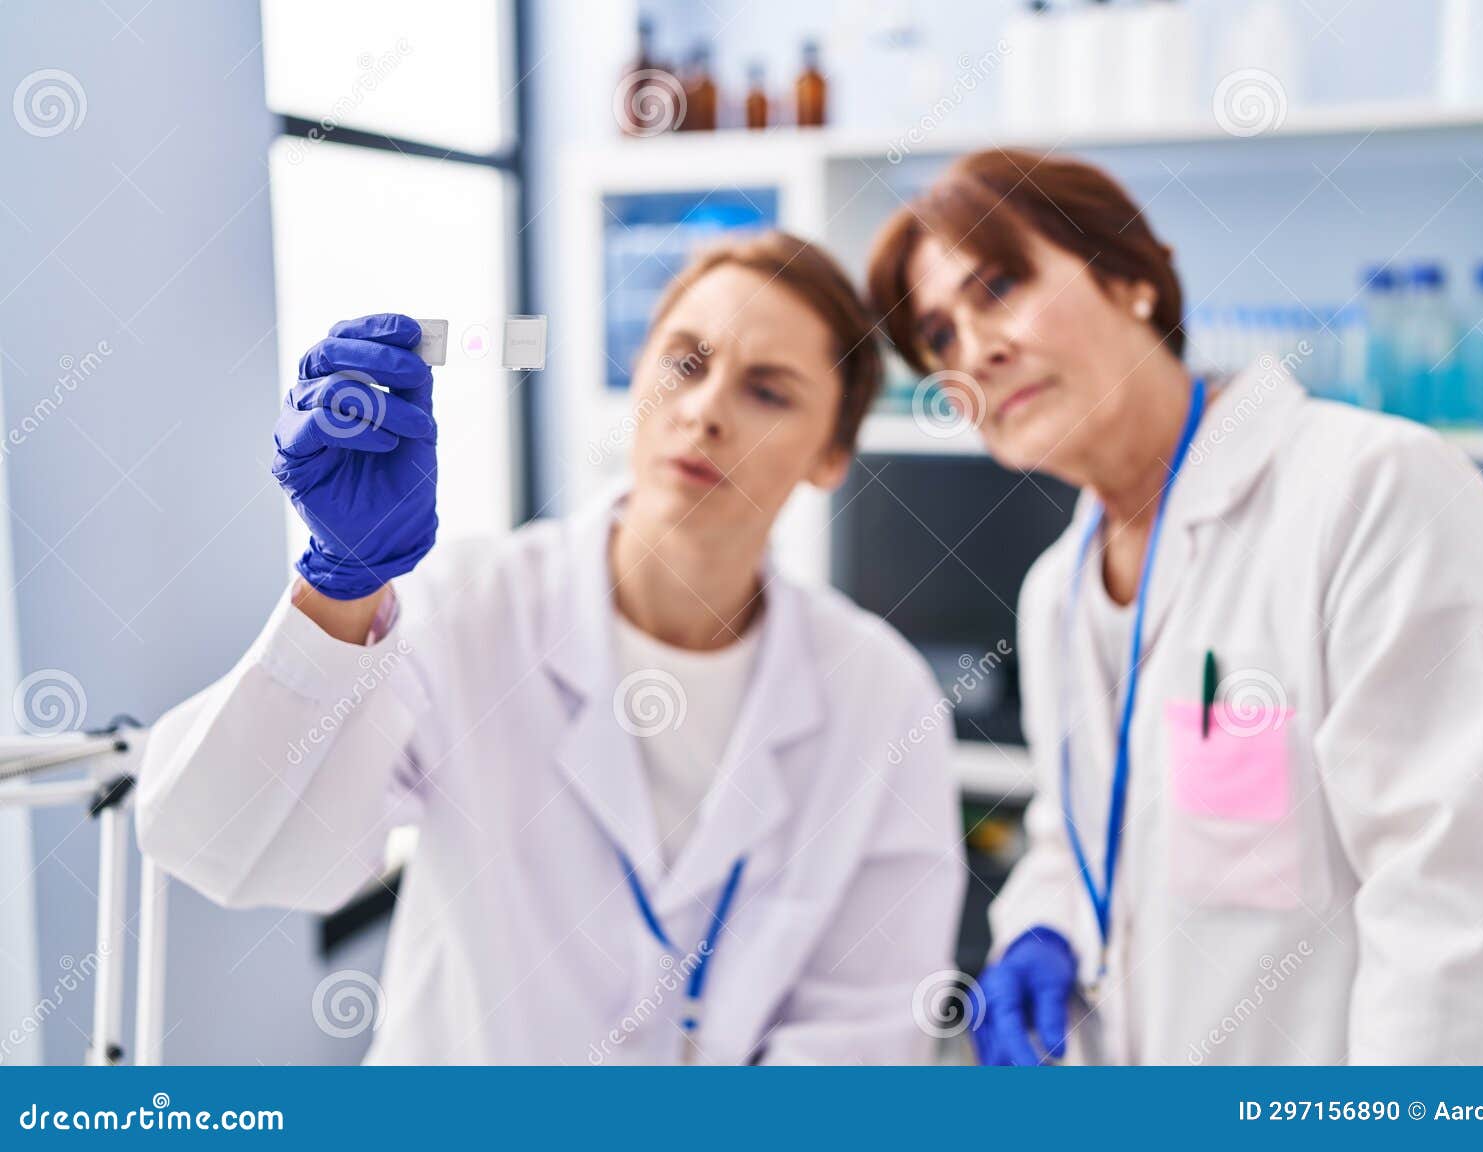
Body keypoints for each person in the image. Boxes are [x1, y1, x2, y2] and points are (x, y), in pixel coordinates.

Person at [137, 231, 964, 1064]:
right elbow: (220, 845)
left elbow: (865, 1022)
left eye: (768, 391)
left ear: (831, 455)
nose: (706, 409)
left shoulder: (879, 694)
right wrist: (339, 588)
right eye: (685, 362)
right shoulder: (471, 606)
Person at [866, 148, 1483, 1065]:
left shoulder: (1370, 491)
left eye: (1000, 287)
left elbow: (1458, 915)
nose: (977, 352)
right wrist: (1042, 925)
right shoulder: (1058, 589)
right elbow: (1090, 828)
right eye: (940, 338)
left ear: (1130, 282)